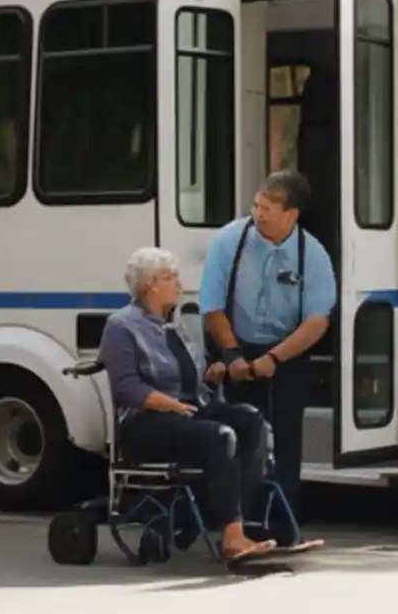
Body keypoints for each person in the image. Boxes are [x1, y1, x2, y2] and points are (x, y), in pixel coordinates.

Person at [97, 246, 277, 563]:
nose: (179, 284)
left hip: (189, 410)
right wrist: (168, 404)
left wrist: (210, 376)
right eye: (171, 277)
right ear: (150, 284)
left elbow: (189, 381)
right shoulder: (121, 326)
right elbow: (126, 388)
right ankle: (231, 536)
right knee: (220, 436)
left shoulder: (174, 323)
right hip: (146, 421)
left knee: (252, 422)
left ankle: (231, 524)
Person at [200, 170, 336, 541]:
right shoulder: (230, 240)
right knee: (238, 438)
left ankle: (283, 524)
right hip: (235, 345)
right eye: (256, 205)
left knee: (286, 441)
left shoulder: (313, 255)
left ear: (290, 216)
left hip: (287, 352)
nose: (258, 214)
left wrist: (274, 359)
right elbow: (211, 305)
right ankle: (236, 525)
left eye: (267, 208)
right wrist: (232, 356)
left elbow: (316, 322)